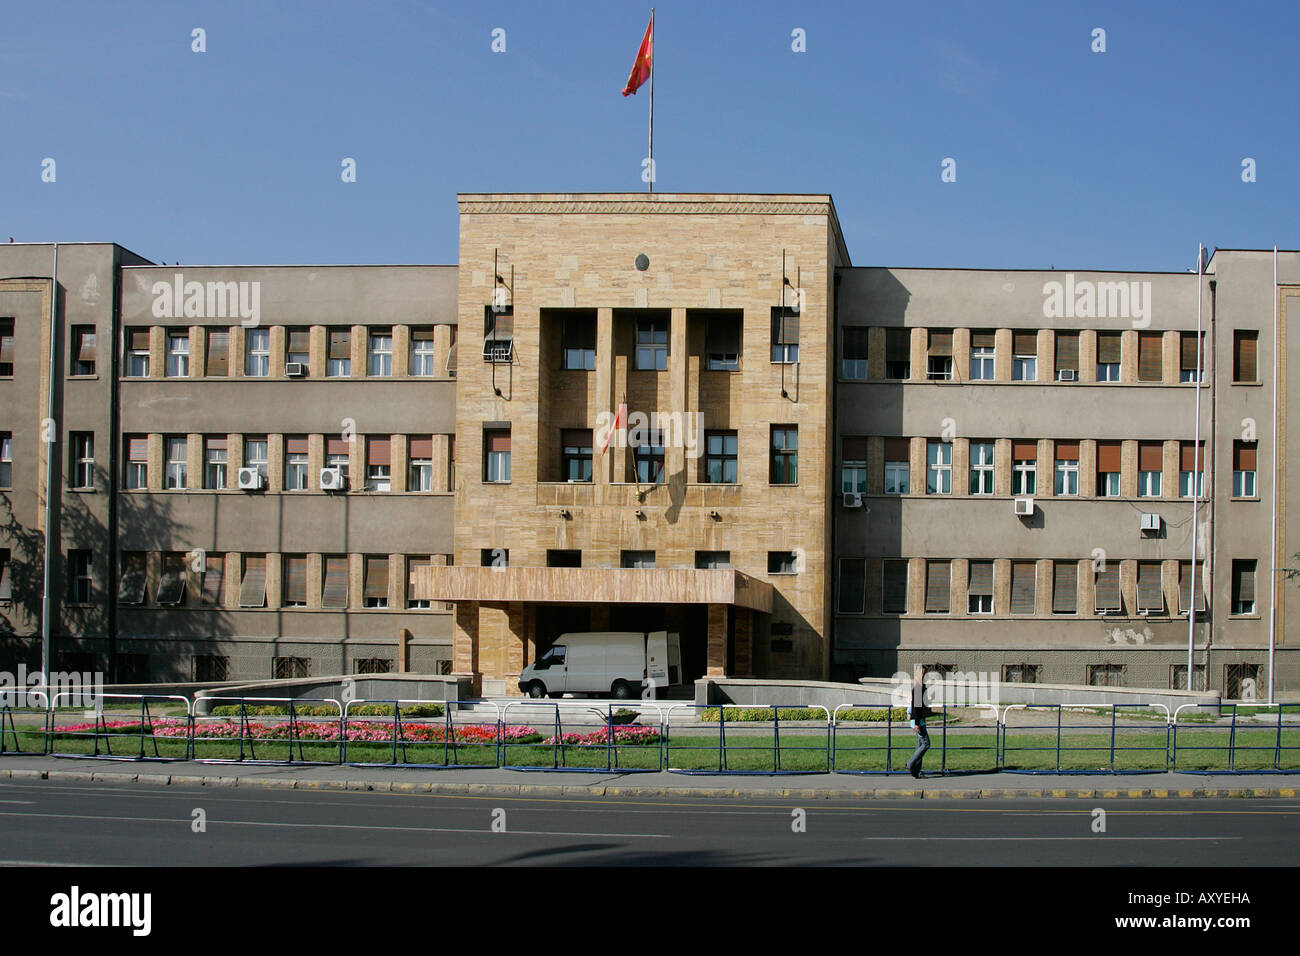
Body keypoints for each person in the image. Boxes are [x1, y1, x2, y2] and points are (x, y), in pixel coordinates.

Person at [905, 665, 932, 778]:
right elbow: (916, 707)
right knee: (926, 744)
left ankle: (916, 771)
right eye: (923, 674)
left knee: (919, 746)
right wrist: (916, 723)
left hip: (918, 720)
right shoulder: (918, 688)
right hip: (918, 721)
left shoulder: (919, 687)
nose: (925, 676)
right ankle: (910, 764)